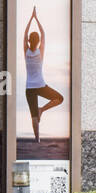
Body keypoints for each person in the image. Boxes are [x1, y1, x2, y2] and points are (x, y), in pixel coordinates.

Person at [23, 8, 64, 142]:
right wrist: (36, 18)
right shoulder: (40, 52)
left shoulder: (26, 51)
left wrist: (30, 18)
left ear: (29, 41)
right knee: (59, 98)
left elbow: (24, 34)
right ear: (38, 41)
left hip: (29, 87)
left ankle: (37, 139)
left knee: (34, 116)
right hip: (40, 85)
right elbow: (43, 33)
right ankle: (43, 110)